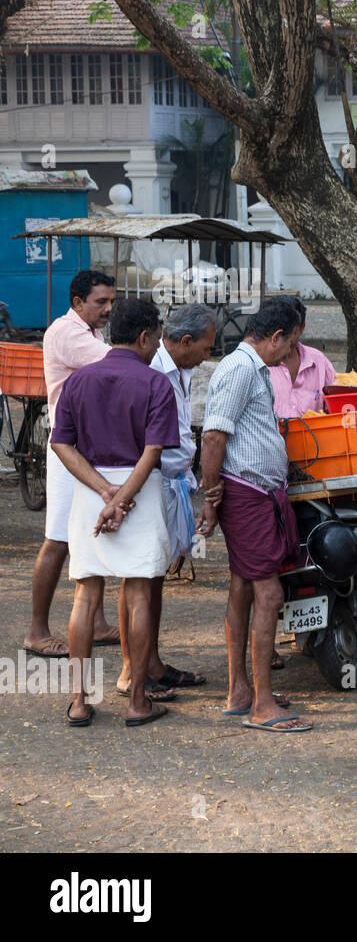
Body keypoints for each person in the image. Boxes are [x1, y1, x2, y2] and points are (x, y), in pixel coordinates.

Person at [51, 299, 180, 727]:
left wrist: (104, 492)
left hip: (91, 490)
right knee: (139, 592)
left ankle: (79, 700)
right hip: (137, 490)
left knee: (86, 594)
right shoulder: (156, 383)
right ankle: (138, 700)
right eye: (156, 338)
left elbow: (61, 444)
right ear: (144, 337)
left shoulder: (78, 382)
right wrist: (123, 496)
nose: (156, 346)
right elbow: (153, 450)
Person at [197, 297, 311, 732]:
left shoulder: (251, 368)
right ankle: (261, 704)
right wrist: (211, 498)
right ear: (277, 336)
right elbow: (212, 438)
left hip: (255, 491)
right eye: (291, 343)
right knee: (269, 594)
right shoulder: (241, 368)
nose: (290, 354)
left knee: (245, 587)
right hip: (247, 494)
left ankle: (242, 690)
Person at [115, 304, 217, 701]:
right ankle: (130, 670)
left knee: (153, 577)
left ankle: (150, 663)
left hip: (171, 481)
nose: (208, 356)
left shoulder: (179, 370)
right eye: (206, 348)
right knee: (137, 578)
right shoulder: (154, 371)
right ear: (186, 342)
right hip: (149, 480)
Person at [25, 271, 119, 659]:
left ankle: (94, 623)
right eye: (101, 303)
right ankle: (36, 630)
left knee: (91, 531)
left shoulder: (90, 332)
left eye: (112, 302)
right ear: (78, 302)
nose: (108, 309)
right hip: (67, 448)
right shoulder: (67, 333)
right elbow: (119, 362)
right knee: (59, 538)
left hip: (87, 446)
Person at [269, 297, 336, 418]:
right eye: (281, 331)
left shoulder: (319, 361)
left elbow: (336, 405)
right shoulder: (261, 365)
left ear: (302, 328)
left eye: (291, 331)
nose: (285, 336)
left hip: (314, 436)